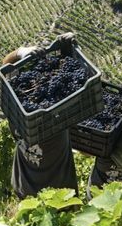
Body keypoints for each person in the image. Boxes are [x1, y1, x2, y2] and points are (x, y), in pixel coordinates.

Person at [4, 36, 78, 199]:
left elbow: (4, 70)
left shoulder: (15, 112)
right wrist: (67, 50)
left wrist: (20, 52)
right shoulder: (58, 121)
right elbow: (73, 82)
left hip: (25, 191)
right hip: (60, 196)